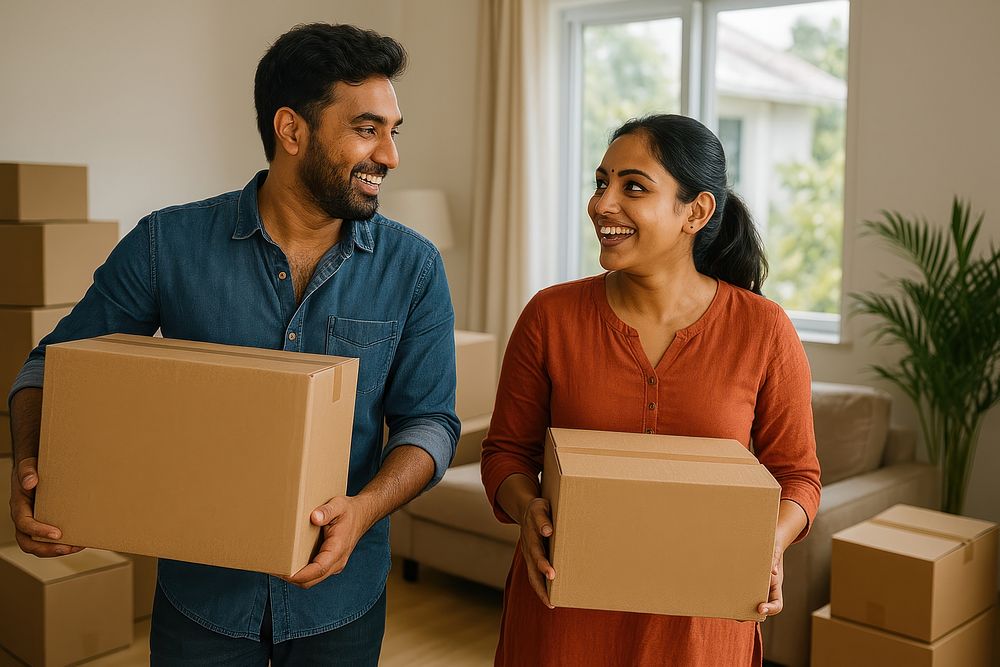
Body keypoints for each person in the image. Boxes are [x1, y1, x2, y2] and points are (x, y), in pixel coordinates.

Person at [7, 23, 459, 665]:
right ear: (291, 130)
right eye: (367, 129)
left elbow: (431, 423)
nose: (390, 156)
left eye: (393, 131)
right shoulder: (168, 244)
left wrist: (363, 510)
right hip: (202, 600)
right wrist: (31, 469)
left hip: (342, 600)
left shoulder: (413, 267)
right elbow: (48, 368)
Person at [481, 114, 822, 666]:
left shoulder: (764, 330)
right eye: (601, 183)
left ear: (696, 212)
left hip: (700, 630)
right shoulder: (550, 316)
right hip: (565, 621)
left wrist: (770, 544)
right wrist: (528, 511)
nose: (602, 204)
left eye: (633, 187)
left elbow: (798, 477)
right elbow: (505, 454)